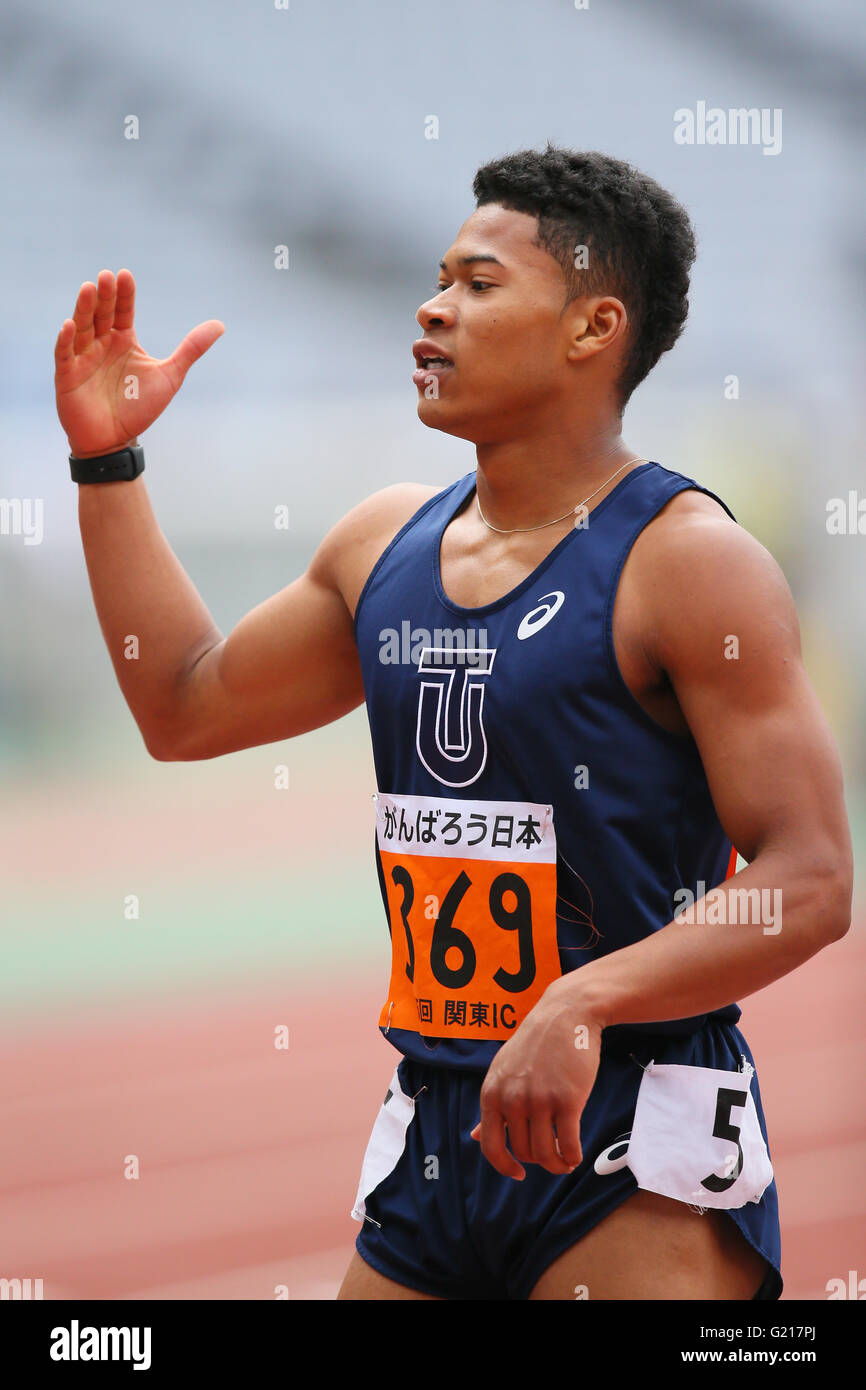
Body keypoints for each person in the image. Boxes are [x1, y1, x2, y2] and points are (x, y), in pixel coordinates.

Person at [54, 146, 852, 1301]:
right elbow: (181, 703)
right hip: (437, 1128)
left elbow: (812, 877)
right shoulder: (385, 544)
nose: (431, 307)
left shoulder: (686, 564)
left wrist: (583, 997)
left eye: (478, 284)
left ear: (591, 329)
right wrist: (107, 462)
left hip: (627, 1129)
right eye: (438, 278)